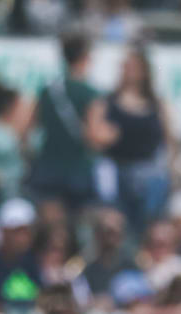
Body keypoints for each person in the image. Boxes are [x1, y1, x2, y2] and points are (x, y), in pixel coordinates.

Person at [28, 33, 112, 210]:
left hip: (47, 168)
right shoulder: (91, 95)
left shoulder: (48, 91)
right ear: (86, 58)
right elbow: (93, 135)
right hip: (78, 172)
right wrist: (112, 134)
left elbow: (30, 127)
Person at [99, 46, 176, 233]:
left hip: (149, 174)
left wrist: (173, 168)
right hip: (118, 173)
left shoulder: (157, 104)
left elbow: (171, 140)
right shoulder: (108, 102)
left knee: (148, 225)